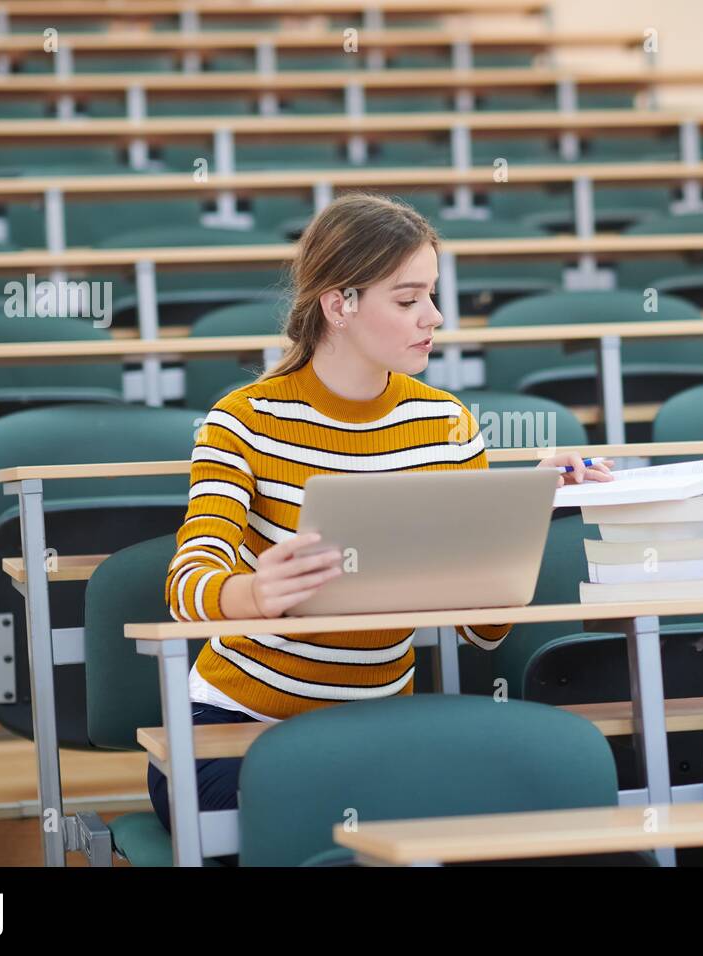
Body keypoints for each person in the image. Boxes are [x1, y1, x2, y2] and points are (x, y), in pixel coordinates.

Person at [150, 192, 614, 833]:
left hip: (379, 729)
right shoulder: (242, 422)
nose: (435, 316)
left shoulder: (446, 422)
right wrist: (253, 593)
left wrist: (516, 523)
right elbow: (185, 586)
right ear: (339, 304)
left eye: (432, 295)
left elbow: (481, 633)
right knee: (326, 826)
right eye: (408, 299)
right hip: (238, 727)